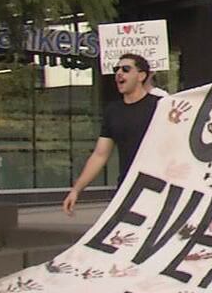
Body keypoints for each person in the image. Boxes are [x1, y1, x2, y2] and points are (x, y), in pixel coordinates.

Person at [63, 53, 161, 215]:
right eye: (116, 69)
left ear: (141, 76)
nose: (119, 73)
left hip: (158, 188)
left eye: (126, 69)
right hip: (126, 189)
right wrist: (76, 190)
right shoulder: (113, 111)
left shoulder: (159, 106)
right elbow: (100, 155)